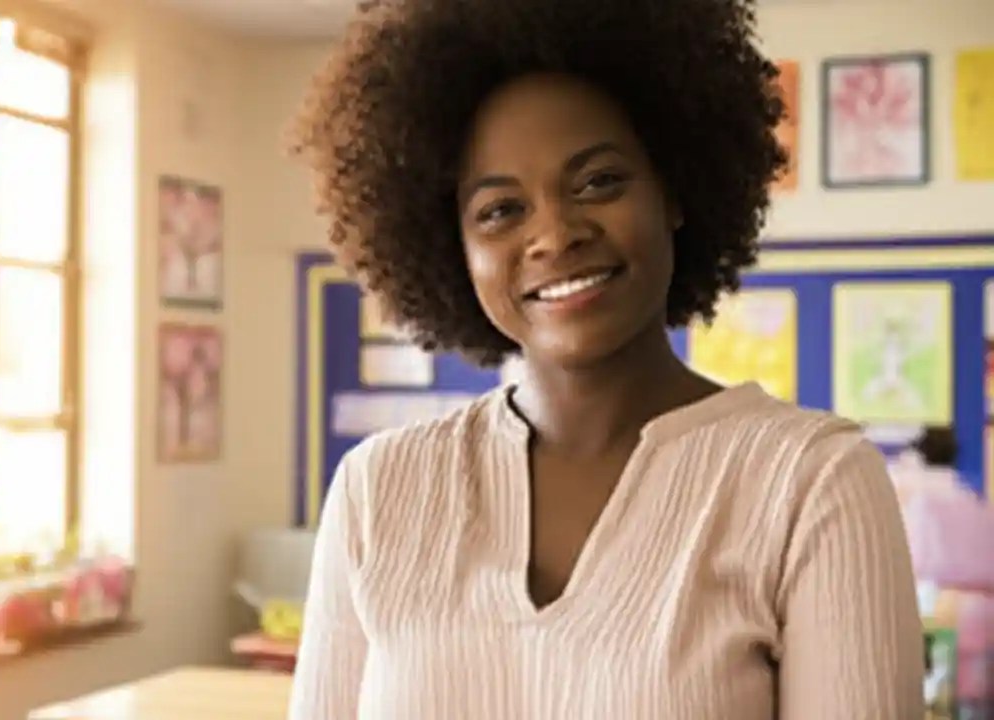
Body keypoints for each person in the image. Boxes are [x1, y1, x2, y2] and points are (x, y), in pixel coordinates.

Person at [285, 0, 924, 717]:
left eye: (599, 182)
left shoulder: (810, 482)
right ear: (451, 248)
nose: (555, 235)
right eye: (500, 210)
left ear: (673, 191)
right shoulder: (378, 491)